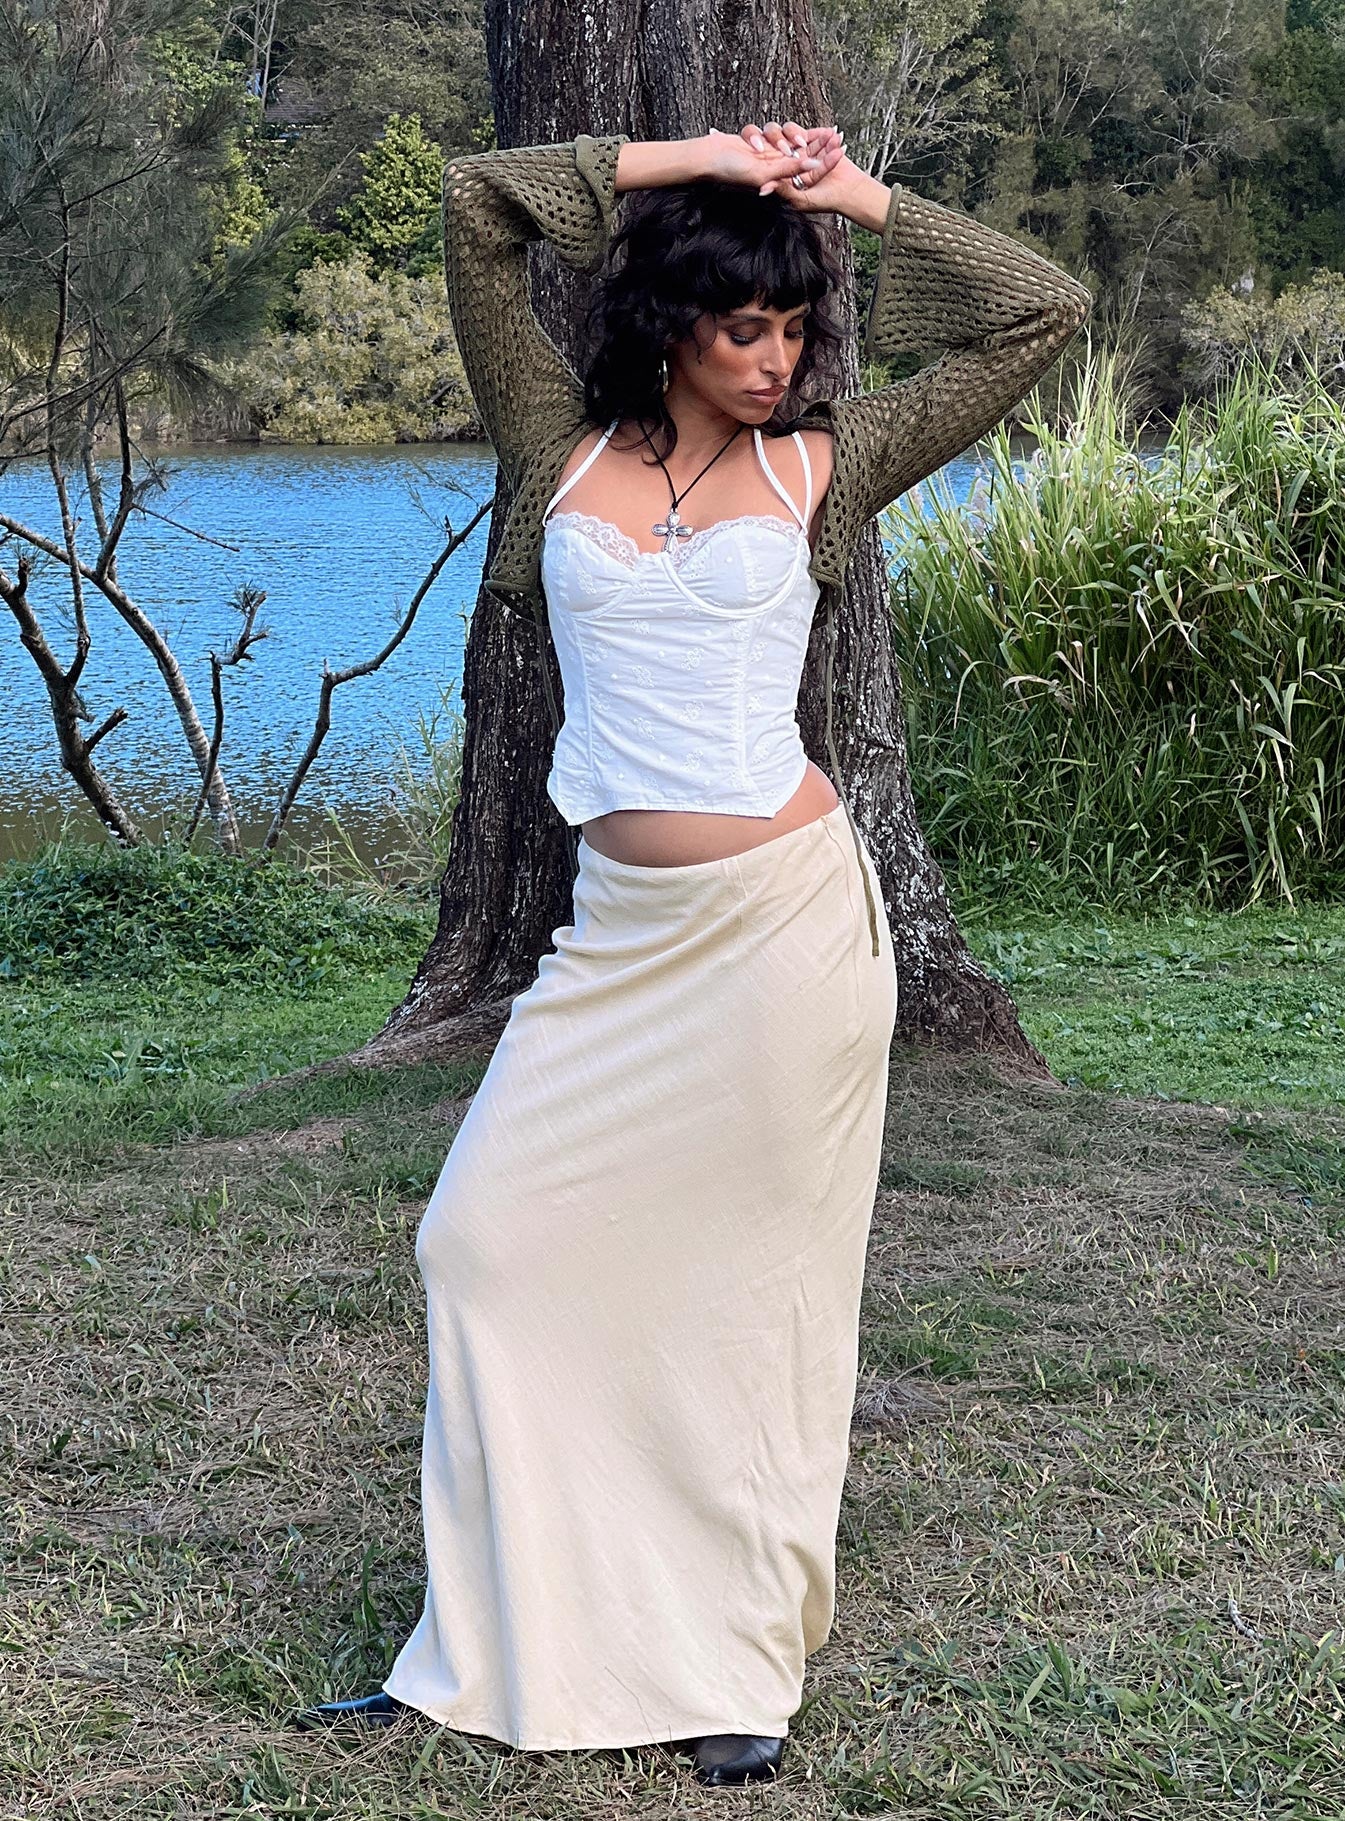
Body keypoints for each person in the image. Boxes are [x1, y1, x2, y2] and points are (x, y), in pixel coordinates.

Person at [296, 119, 1090, 1786]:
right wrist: (704, 155)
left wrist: (851, 198)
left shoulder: (828, 462)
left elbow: (1041, 312)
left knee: (751, 1299)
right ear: (668, 323)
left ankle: (731, 1663)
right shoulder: (553, 444)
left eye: (794, 327)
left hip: (785, 938)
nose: (775, 358)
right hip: (617, 943)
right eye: (743, 327)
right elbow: (477, 203)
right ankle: (481, 1646)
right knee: (480, 1244)